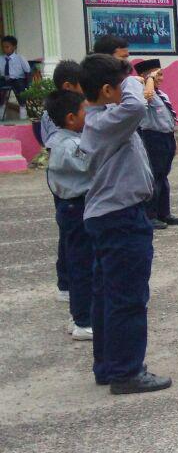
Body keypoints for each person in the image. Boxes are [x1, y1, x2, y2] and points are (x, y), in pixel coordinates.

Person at [78, 53, 170, 394]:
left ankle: (109, 365)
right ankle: (126, 371)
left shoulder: (104, 116)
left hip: (111, 215)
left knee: (107, 296)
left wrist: (127, 79)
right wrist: (136, 77)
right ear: (106, 90)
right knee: (128, 297)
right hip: (120, 217)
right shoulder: (107, 118)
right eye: (120, 85)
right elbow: (135, 106)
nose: (129, 88)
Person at [43, 88, 94, 342]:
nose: (90, 115)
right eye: (86, 110)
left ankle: (81, 315)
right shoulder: (69, 145)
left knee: (83, 262)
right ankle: (83, 321)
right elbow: (92, 165)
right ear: (72, 118)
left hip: (74, 206)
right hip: (76, 207)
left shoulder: (64, 140)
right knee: (82, 264)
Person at [40, 60, 84, 302]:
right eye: (81, 86)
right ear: (68, 86)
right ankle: (66, 283)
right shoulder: (54, 114)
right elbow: (55, 150)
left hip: (71, 180)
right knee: (70, 233)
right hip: (67, 183)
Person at [134, 59, 178, 228]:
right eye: (157, 74)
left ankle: (164, 213)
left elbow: (168, 118)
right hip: (152, 137)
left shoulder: (162, 94)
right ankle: (150, 215)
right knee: (153, 177)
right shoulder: (142, 92)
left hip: (166, 137)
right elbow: (146, 98)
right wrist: (148, 79)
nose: (160, 78)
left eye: (161, 74)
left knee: (163, 177)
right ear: (144, 76)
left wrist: (173, 139)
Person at [0, 35, 32, 121]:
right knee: (1, 92)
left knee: (20, 91)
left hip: (17, 79)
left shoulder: (20, 58)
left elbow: (28, 71)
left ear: (14, 47)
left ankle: (23, 110)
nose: (5, 49)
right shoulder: (1, 59)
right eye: (3, 47)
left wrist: (28, 84)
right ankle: (1, 110)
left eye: (7, 47)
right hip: (5, 80)